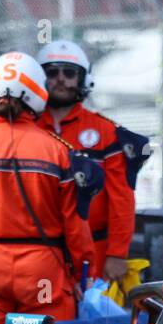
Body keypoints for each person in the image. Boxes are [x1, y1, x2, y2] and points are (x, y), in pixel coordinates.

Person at [0, 52, 97, 324]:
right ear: (37, 92)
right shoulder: (58, 151)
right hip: (43, 269)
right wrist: (81, 275)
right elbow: (75, 224)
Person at [34, 41, 148, 283]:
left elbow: (121, 199)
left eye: (69, 73)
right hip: (38, 250)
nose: (61, 79)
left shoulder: (106, 132)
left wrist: (117, 254)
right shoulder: (26, 129)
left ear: (83, 78)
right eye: (52, 72)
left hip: (95, 251)